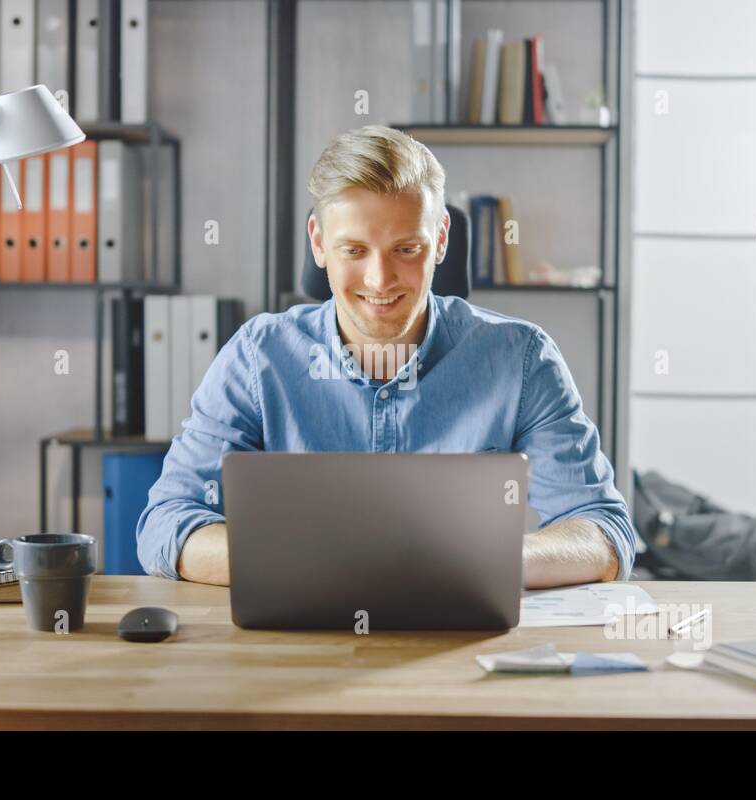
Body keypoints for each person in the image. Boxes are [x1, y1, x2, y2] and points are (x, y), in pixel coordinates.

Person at [137, 125, 635, 588]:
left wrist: (480, 561)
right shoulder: (257, 357)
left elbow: (604, 532)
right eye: (354, 251)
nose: (380, 280)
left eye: (406, 249)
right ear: (319, 244)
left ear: (439, 241)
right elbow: (166, 524)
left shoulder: (520, 359)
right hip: (297, 653)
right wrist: (318, 564)